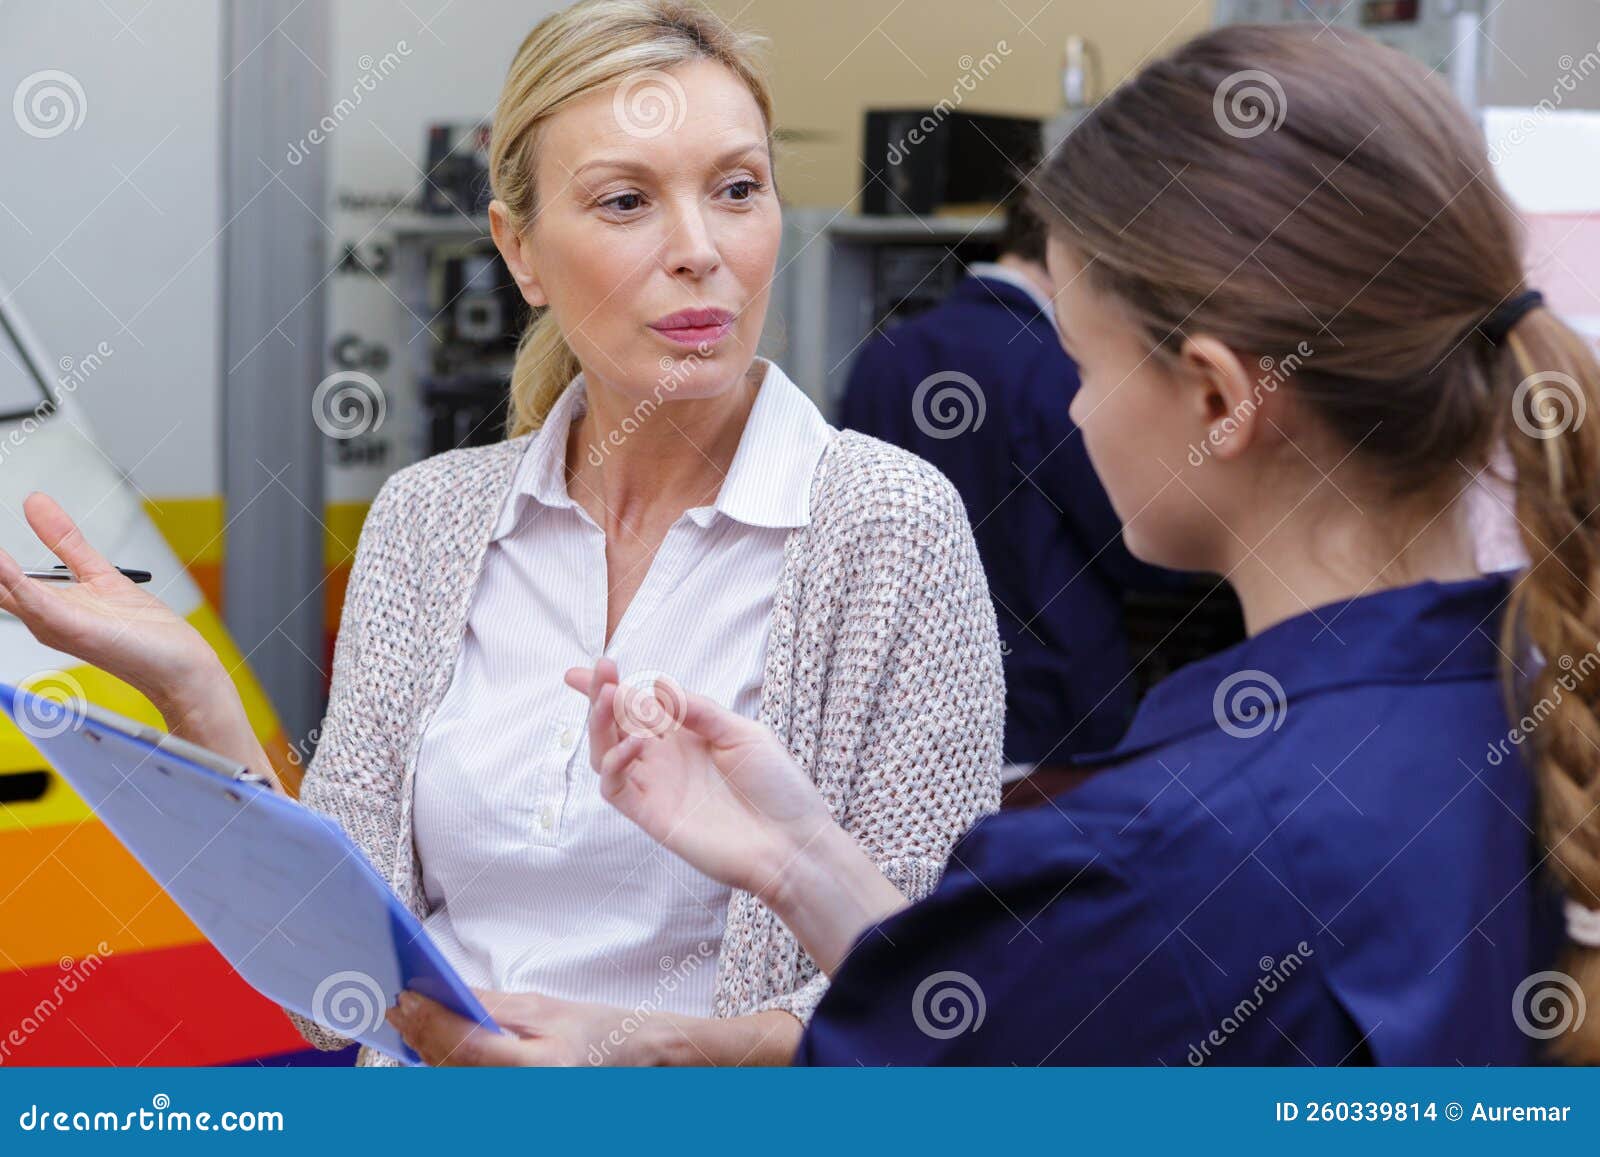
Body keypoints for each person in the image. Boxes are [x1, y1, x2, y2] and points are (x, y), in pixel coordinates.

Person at [388, 23, 1600, 1066]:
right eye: (623, 197)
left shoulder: (1162, 848)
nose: (1067, 410)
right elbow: (985, 1032)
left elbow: (945, 1063)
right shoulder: (1527, 717)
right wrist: (802, 854)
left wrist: (664, 1046)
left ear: (1222, 399)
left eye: (1080, 362)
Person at [0, 0, 1002, 1068]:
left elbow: (930, 997)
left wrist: (648, 1050)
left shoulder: (888, 525)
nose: (701, 249)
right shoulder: (430, 520)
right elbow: (335, 984)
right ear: (519, 250)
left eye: (738, 189)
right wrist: (197, 691)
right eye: (625, 200)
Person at [839, 191, 1181, 789]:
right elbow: (1137, 546)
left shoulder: (883, 355)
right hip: (1045, 724)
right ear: (1083, 258)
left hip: (904, 723)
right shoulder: (1060, 370)